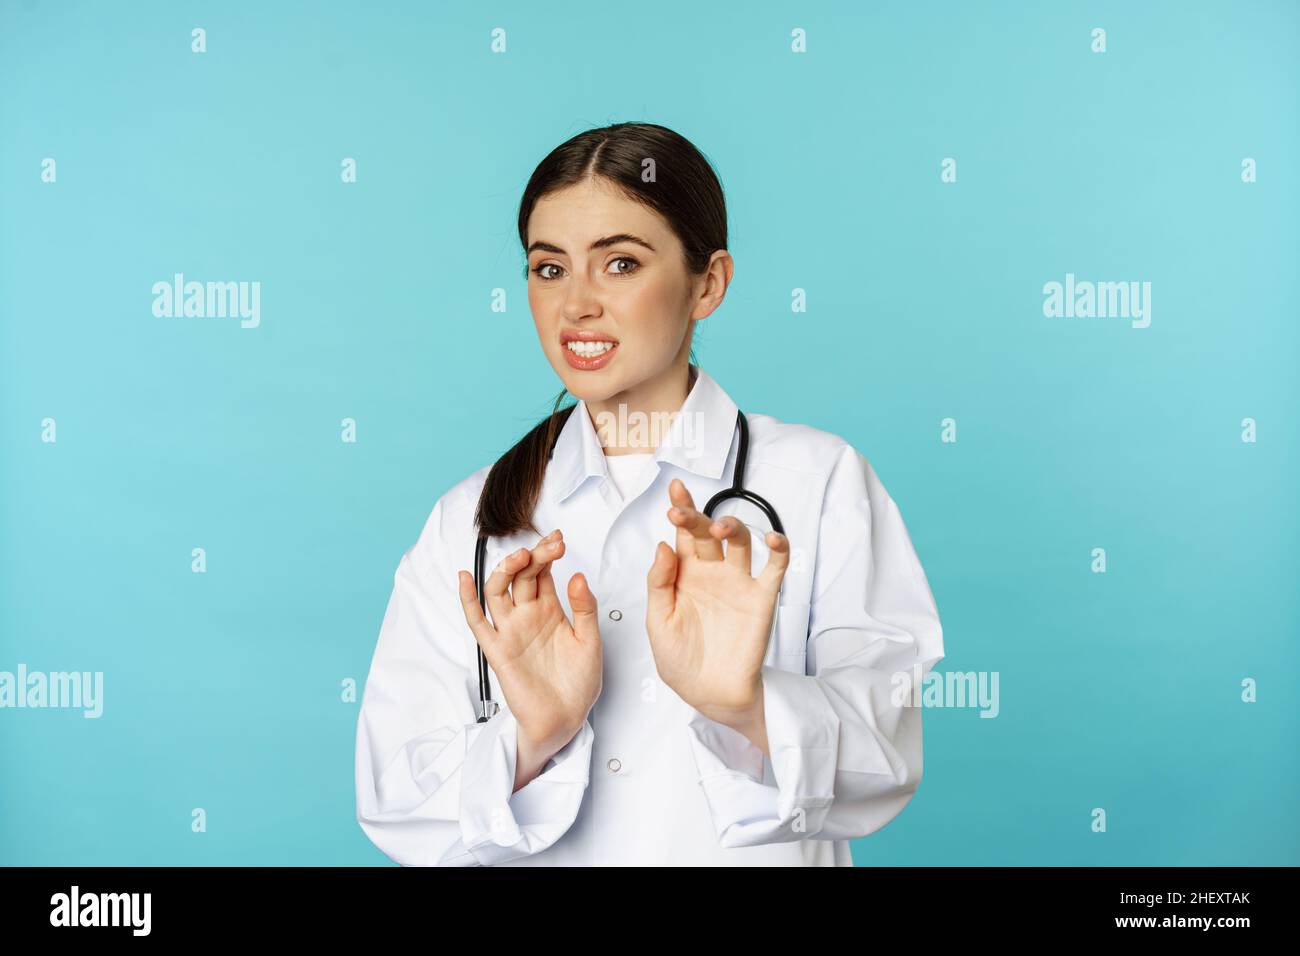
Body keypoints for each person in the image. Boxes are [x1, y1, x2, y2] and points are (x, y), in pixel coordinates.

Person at [354, 122, 945, 866]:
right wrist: (531, 734)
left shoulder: (817, 482)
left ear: (710, 283)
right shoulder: (469, 523)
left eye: (621, 263)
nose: (577, 306)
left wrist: (745, 702)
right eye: (549, 269)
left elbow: (887, 763)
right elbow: (394, 805)